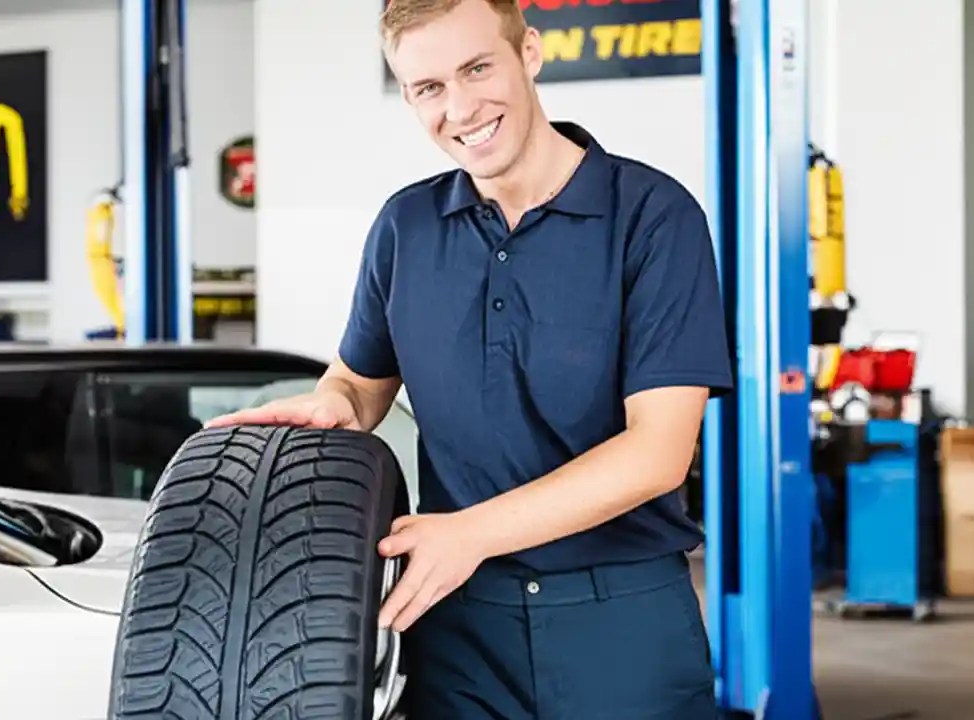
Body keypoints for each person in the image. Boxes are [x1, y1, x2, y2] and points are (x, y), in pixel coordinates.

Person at [205, 0, 734, 717]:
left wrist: (471, 533)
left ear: (531, 53)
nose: (460, 108)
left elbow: (657, 454)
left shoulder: (653, 217)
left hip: (619, 617)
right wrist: (336, 403)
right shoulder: (406, 226)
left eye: (477, 68)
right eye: (428, 88)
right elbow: (361, 382)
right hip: (455, 616)